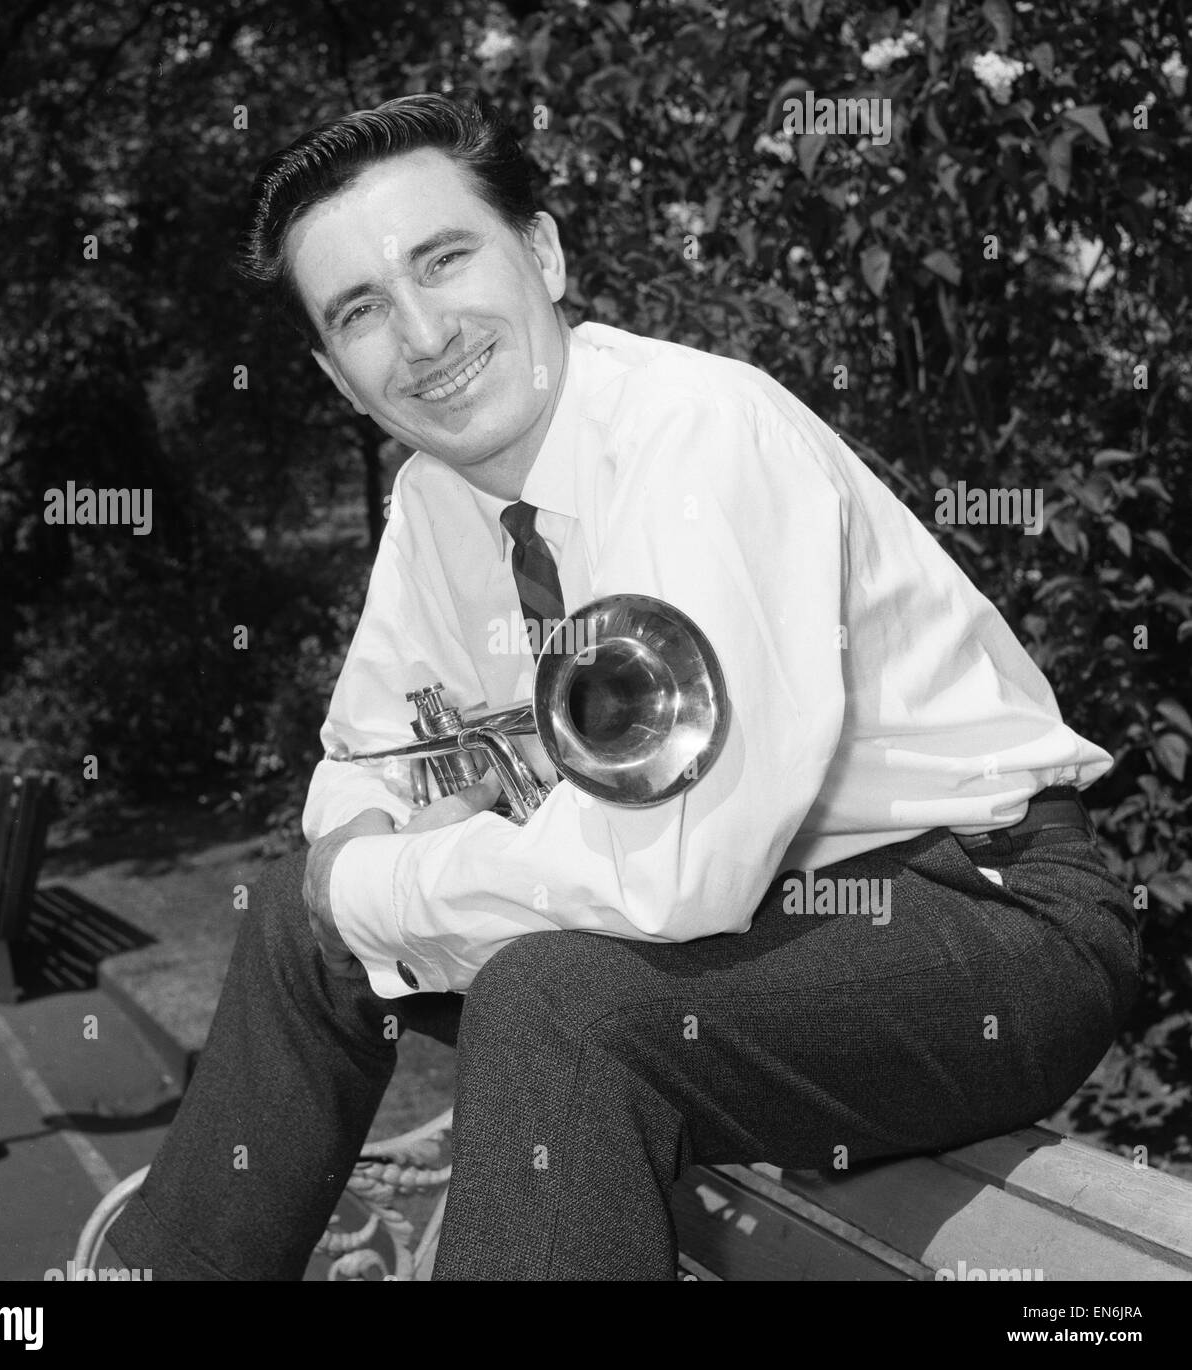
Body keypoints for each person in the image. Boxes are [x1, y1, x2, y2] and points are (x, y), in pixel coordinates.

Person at [109, 93, 1142, 1281]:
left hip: (984, 917)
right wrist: (361, 867)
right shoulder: (434, 500)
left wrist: (384, 878)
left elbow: (672, 870)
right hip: (751, 928)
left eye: (443, 260)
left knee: (551, 1006)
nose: (423, 333)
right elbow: (359, 762)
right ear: (336, 373)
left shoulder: (697, 431)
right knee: (300, 910)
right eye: (360, 310)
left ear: (542, 254)